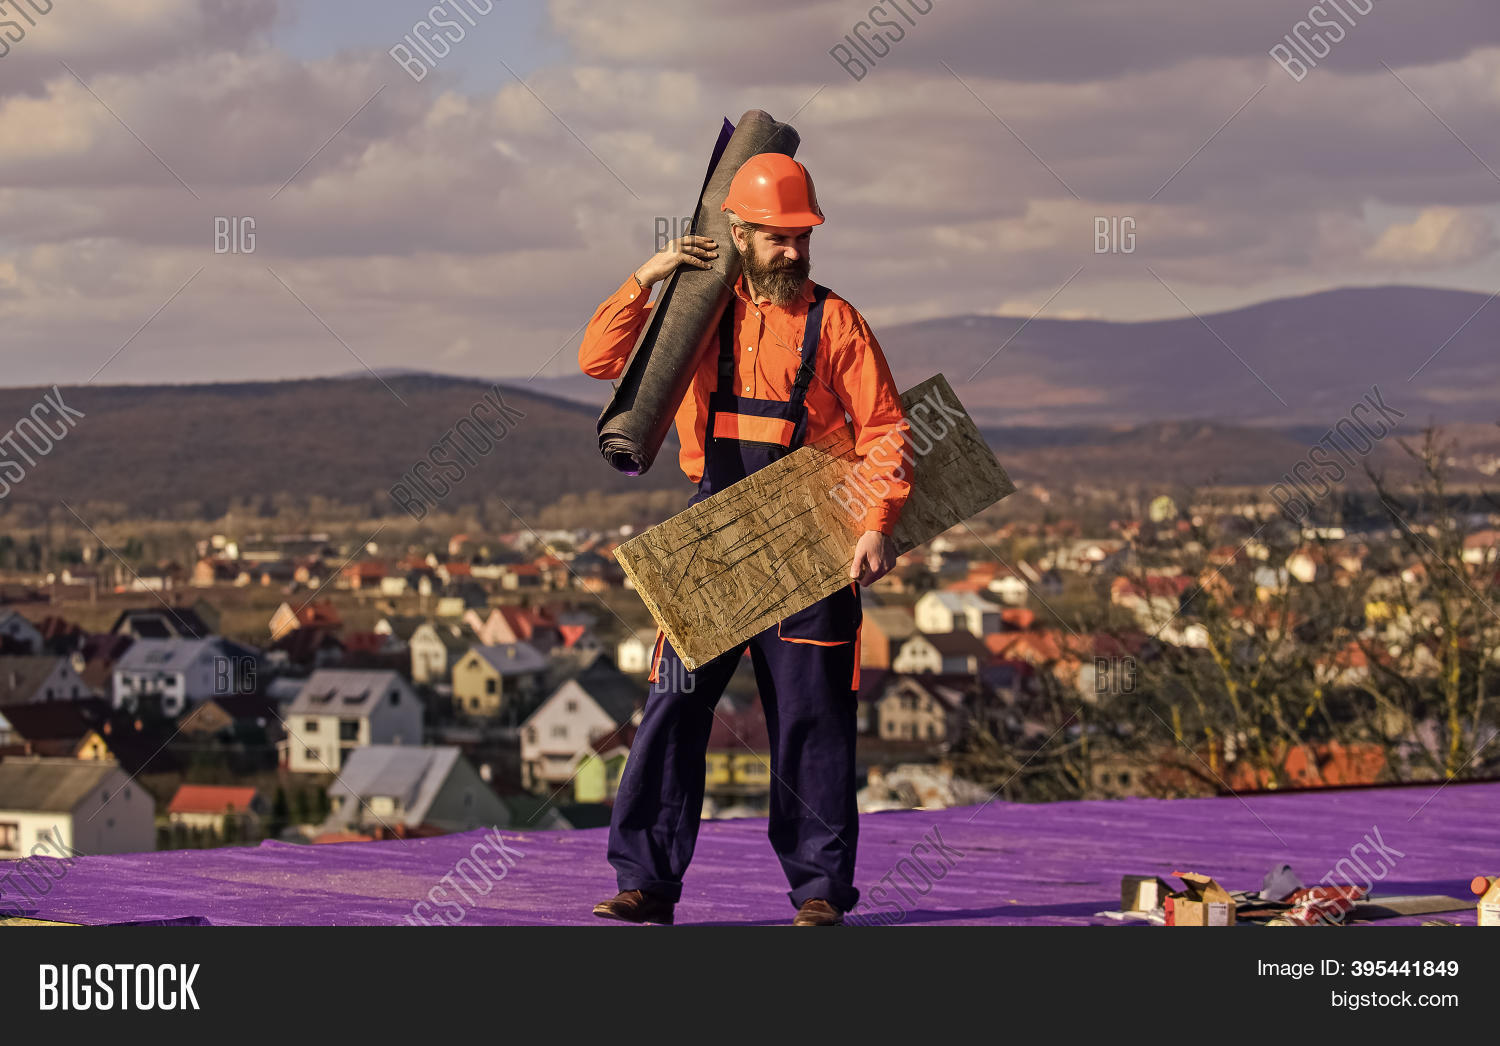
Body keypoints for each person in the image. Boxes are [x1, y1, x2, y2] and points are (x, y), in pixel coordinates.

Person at [578, 153, 912, 925]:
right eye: (777, 237)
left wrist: (875, 524)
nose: (794, 251)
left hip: (815, 532)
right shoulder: (698, 310)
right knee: (673, 704)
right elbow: (600, 359)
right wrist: (651, 274)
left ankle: (821, 893)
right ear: (737, 231)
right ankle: (645, 885)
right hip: (715, 530)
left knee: (812, 718)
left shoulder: (837, 322)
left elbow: (888, 429)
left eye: (802, 236)